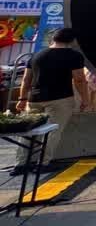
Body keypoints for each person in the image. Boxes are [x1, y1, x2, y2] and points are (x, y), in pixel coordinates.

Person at [13, 28, 89, 174]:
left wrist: (22, 99)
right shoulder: (74, 56)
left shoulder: (37, 55)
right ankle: (43, 164)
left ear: (53, 39)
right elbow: (79, 80)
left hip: (34, 99)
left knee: (28, 131)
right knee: (53, 131)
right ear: (72, 41)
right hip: (60, 99)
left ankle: (20, 164)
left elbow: (26, 79)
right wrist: (85, 99)